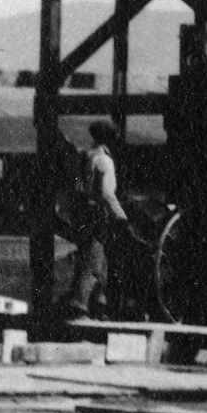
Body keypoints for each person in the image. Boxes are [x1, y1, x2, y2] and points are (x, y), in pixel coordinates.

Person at [66, 120, 126, 319]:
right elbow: (107, 193)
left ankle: (100, 306)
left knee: (100, 262)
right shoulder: (105, 161)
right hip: (98, 215)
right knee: (93, 260)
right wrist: (121, 215)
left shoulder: (86, 157)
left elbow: (77, 185)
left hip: (82, 213)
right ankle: (79, 306)